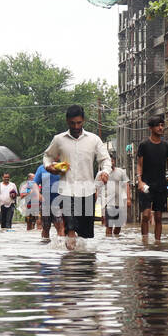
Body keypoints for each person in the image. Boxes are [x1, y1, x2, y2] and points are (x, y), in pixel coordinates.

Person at [43, 104, 111, 249]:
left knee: (84, 236)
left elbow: (105, 159)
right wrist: (49, 167)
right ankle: (70, 269)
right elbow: (47, 156)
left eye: (79, 123)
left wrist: (105, 171)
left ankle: (82, 267)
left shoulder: (94, 139)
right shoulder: (59, 139)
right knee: (71, 230)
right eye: (72, 123)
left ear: (83, 121)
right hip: (66, 191)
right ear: (67, 121)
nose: (76, 126)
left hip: (87, 192)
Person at [135, 117, 168, 244]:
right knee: (146, 215)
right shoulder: (144, 145)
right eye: (158, 125)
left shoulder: (167, 146)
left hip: (161, 185)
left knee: (159, 217)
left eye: (162, 125)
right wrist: (140, 181)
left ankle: (158, 243)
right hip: (146, 185)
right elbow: (139, 165)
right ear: (151, 128)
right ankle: (145, 242)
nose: (160, 128)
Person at [98, 154, 129, 237]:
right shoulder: (102, 174)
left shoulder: (121, 172)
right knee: (109, 226)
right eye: (109, 161)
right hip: (108, 203)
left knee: (119, 226)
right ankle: (109, 243)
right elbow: (97, 187)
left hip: (120, 202)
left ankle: (115, 240)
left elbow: (126, 185)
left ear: (114, 161)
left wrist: (128, 199)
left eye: (112, 160)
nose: (111, 163)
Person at [34, 163, 62, 241]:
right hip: (45, 201)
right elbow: (35, 183)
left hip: (60, 201)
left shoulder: (62, 166)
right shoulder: (42, 168)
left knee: (60, 225)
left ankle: (61, 245)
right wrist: (38, 194)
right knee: (46, 227)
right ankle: (45, 246)